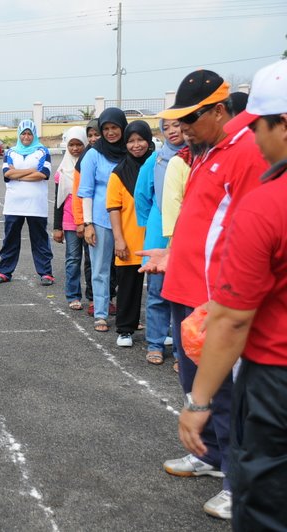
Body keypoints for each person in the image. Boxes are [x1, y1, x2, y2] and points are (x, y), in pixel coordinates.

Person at [152, 69, 269, 520]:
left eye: (191, 118)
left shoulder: (244, 153)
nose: (181, 127)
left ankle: (239, 486)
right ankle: (211, 458)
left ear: (220, 110)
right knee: (194, 383)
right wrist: (169, 252)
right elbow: (203, 219)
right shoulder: (203, 150)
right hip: (184, 284)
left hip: (213, 296)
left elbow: (247, 231)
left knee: (225, 392)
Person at [177, 59, 287, 529]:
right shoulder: (210, 152)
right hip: (203, 291)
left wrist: (195, 405)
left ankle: (232, 482)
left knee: (263, 494)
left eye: (257, 124)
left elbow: (236, 317)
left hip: (267, 355)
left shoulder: (260, 182)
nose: (255, 136)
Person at [134, 118, 185, 364]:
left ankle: (181, 351)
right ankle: (154, 343)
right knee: (157, 292)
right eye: (166, 127)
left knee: (184, 296)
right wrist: (154, 222)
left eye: (177, 125)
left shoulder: (198, 156)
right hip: (159, 232)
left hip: (187, 233)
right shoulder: (156, 160)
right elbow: (141, 195)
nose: (173, 131)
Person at [77, 108, 128, 332]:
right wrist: (88, 223)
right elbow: (85, 191)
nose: (110, 133)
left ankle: (128, 314)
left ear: (122, 127)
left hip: (129, 218)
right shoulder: (93, 154)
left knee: (128, 270)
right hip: (100, 219)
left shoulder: (131, 149)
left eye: (114, 128)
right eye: (105, 129)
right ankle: (100, 313)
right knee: (100, 268)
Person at [106, 120, 153, 348]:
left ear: (149, 140)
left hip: (155, 239)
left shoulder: (158, 166)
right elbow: (113, 208)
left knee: (158, 291)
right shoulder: (119, 173)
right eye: (131, 141)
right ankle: (125, 330)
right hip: (130, 239)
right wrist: (119, 239)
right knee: (128, 289)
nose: (136, 145)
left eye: (140, 140)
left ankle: (158, 331)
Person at [0, 119, 54, 286]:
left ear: (34, 135)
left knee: (40, 239)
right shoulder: (10, 152)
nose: (26, 137)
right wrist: (31, 171)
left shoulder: (42, 151)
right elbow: (7, 173)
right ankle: (4, 272)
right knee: (10, 239)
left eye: (29, 133)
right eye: (23, 133)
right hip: (14, 204)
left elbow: (43, 174)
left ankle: (46, 273)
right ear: (19, 134)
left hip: (36, 204)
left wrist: (17, 173)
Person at [52, 126, 88, 309]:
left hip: (89, 220)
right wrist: (57, 227)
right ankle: (73, 295)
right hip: (69, 220)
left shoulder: (90, 164)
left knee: (91, 261)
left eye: (79, 144)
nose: (75, 148)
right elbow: (58, 202)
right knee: (73, 259)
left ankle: (93, 297)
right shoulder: (62, 170)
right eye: (71, 145)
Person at [71, 118, 100, 314]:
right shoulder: (85, 158)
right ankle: (94, 299)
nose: (94, 138)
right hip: (93, 220)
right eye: (90, 135)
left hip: (118, 219)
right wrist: (81, 221)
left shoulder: (122, 154)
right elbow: (78, 193)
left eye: (97, 134)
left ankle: (113, 299)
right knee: (92, 261)